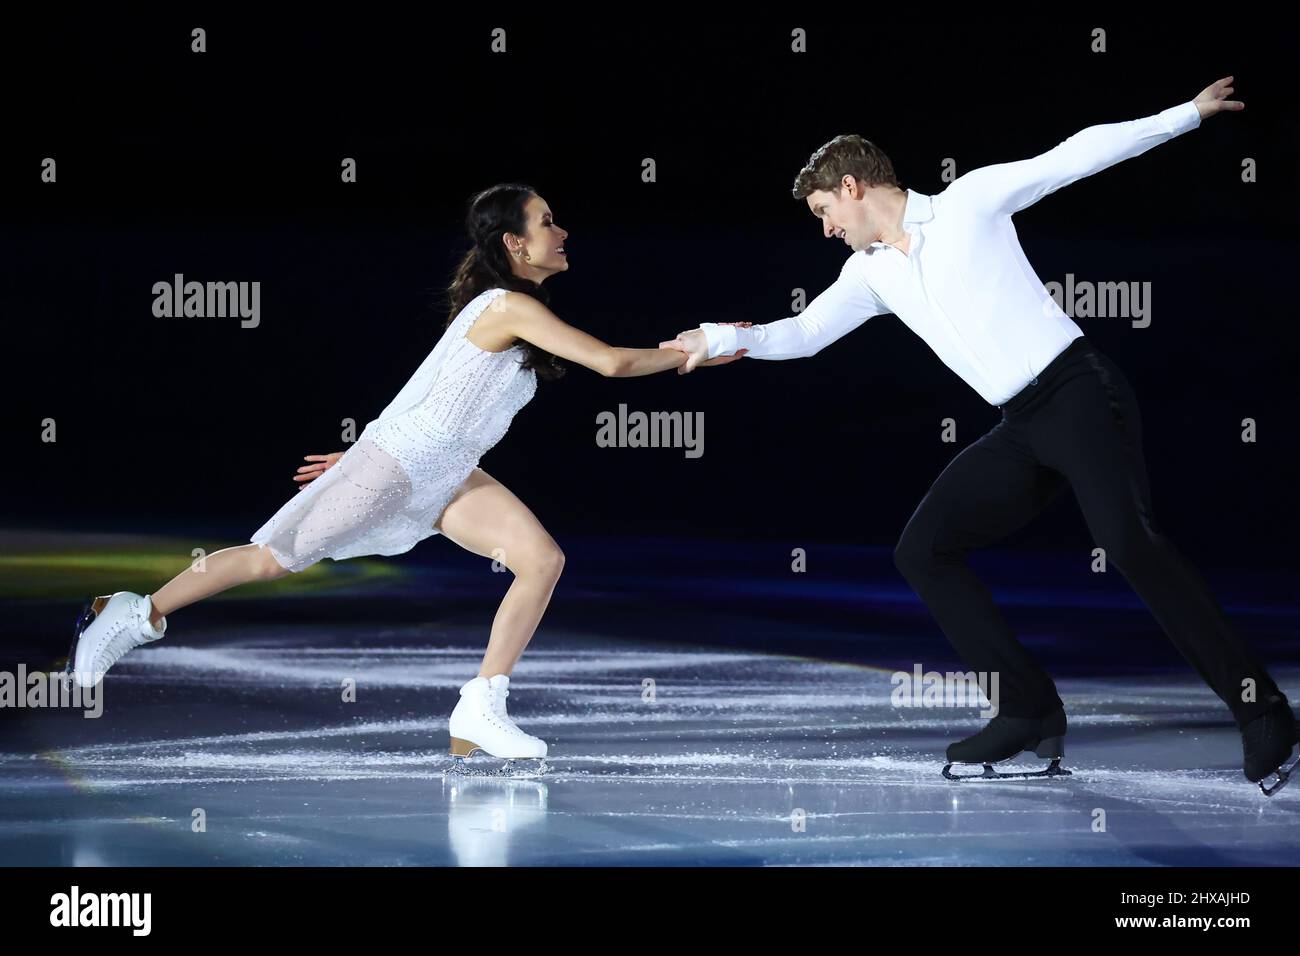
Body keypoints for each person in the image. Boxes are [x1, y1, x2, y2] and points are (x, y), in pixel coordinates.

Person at [662, 77, 1298, 792]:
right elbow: (804, 334)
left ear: (852, 186)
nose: (825, 228)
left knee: (1128, 543)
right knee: (923, 550)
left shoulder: (967, 202)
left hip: (1080, 393)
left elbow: (1071, 158)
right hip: (1022, 423)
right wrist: (716, 339)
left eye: (823, 211)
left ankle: (1263, 710)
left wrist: (1180, 117)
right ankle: (1026, 709)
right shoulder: (867, 274)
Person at [68, 182, 742, 771]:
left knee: (541, 560)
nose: (561, 233)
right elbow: (613, 366)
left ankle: (479, 712)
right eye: (547, 222)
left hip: (442, 474)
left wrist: (693, 355)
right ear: (514, 243)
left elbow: (430, 392)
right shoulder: (506, 307)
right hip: (399, 469)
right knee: (272, 561)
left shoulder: (511, 311)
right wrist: (696, 348)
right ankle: (129, 614)